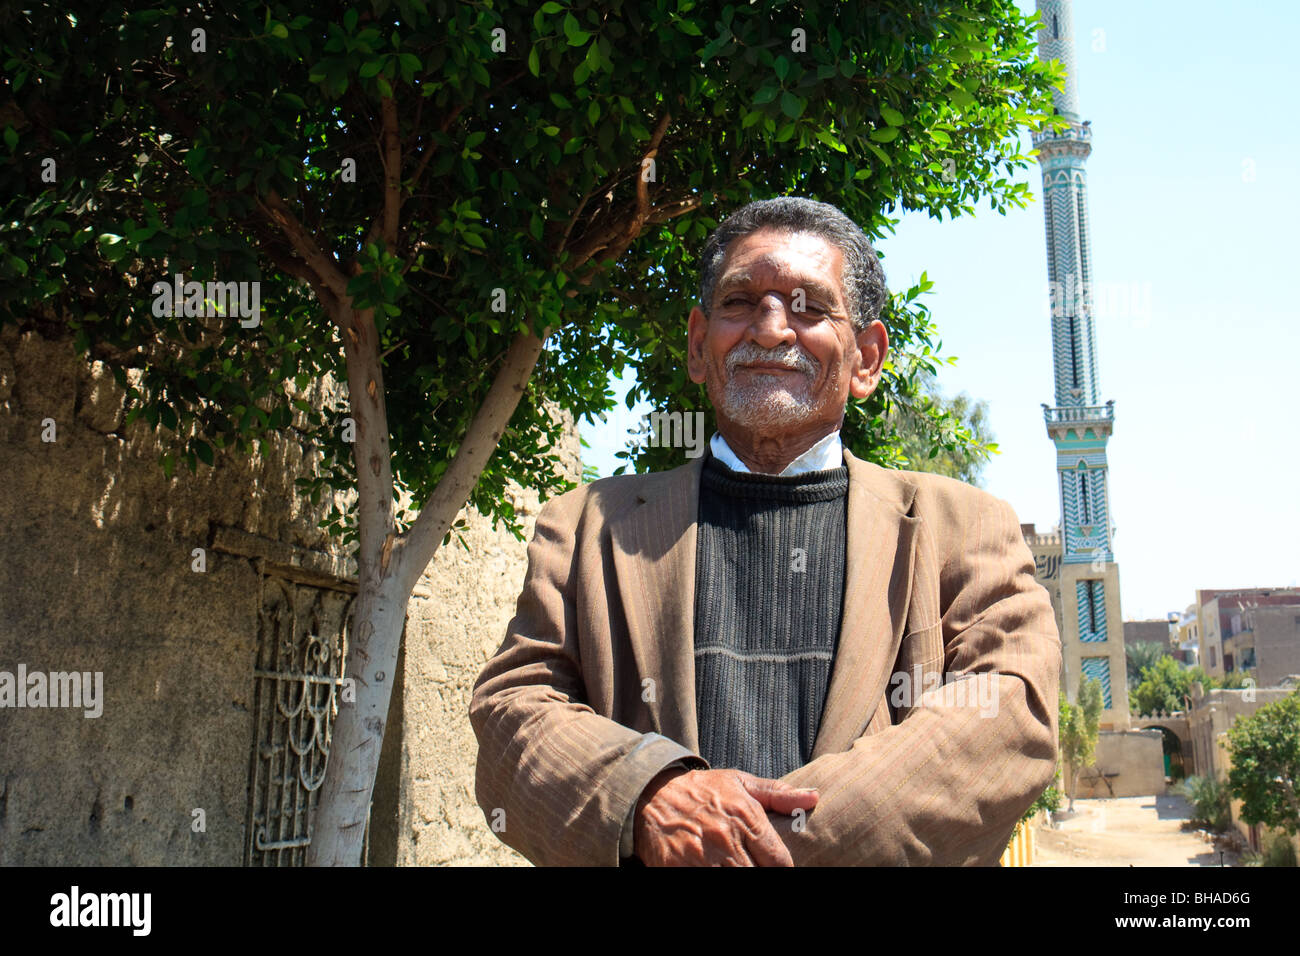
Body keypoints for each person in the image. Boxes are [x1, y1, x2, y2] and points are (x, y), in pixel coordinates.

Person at [469, 196, 1061, 866]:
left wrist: (762, 839)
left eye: (809, 305)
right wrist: (646, 796)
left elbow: (1009, 713)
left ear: (867, 358)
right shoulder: (586, 529)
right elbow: (513, 713)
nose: (772, 328)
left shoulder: (962, 530)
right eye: (740, 302)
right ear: (698, 345)